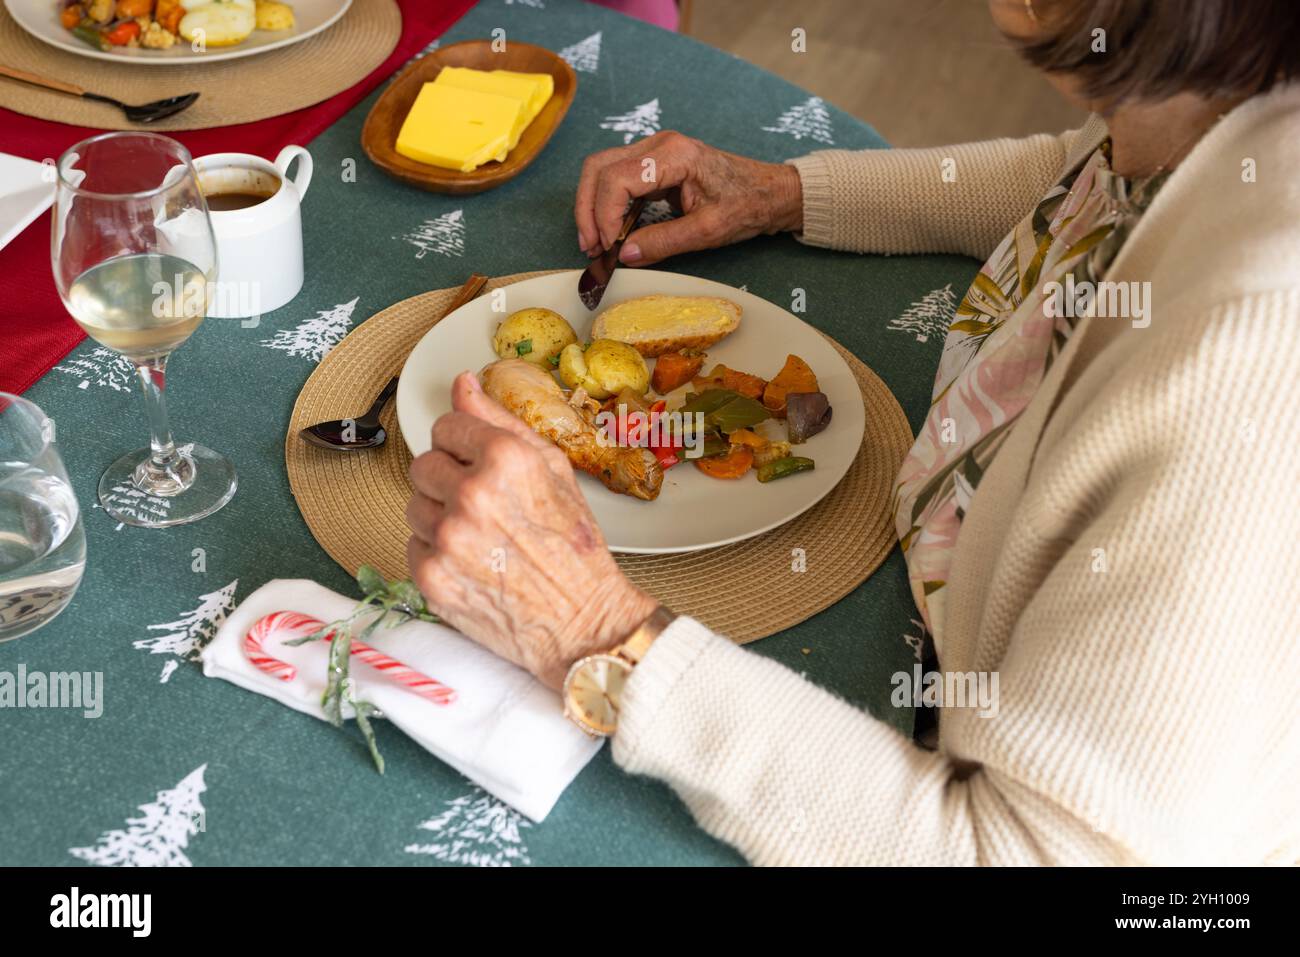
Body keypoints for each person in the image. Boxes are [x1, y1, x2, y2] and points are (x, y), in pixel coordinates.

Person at [405, 0, 1300, 865]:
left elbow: (1020, 851)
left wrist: (597, 633)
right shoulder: (1210, 113)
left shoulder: (1252, 340)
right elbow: (1090, 176)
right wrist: (777, 195)